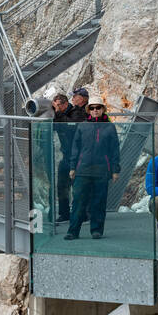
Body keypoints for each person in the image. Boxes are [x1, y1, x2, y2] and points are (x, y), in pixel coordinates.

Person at [64, 96, 120, 240]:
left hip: (102, 170)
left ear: (103, 109)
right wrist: (72, 167)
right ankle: (73, 231)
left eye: (98, 107)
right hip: (83, 169)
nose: (95, 110)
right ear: (89, 110)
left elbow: (114, 150)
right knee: (78, 201)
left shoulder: (110, 127)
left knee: (99, 202)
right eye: (93, 108)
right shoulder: (82, 126)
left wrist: (115, 170)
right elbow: (75, 148)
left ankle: (96, 230)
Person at [51, 92, 86, 223]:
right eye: (55, 106)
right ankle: (64, 213)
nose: (57, 108)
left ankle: (81, 213)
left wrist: (58, 113)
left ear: (66, 104)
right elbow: (53, 126)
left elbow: (71, 126)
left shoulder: (77, 112)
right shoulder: (58, 114)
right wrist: (53, 113)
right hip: (66, 156)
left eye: (59, 105)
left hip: (78, 156)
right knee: (62, 185)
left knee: (77, 186)